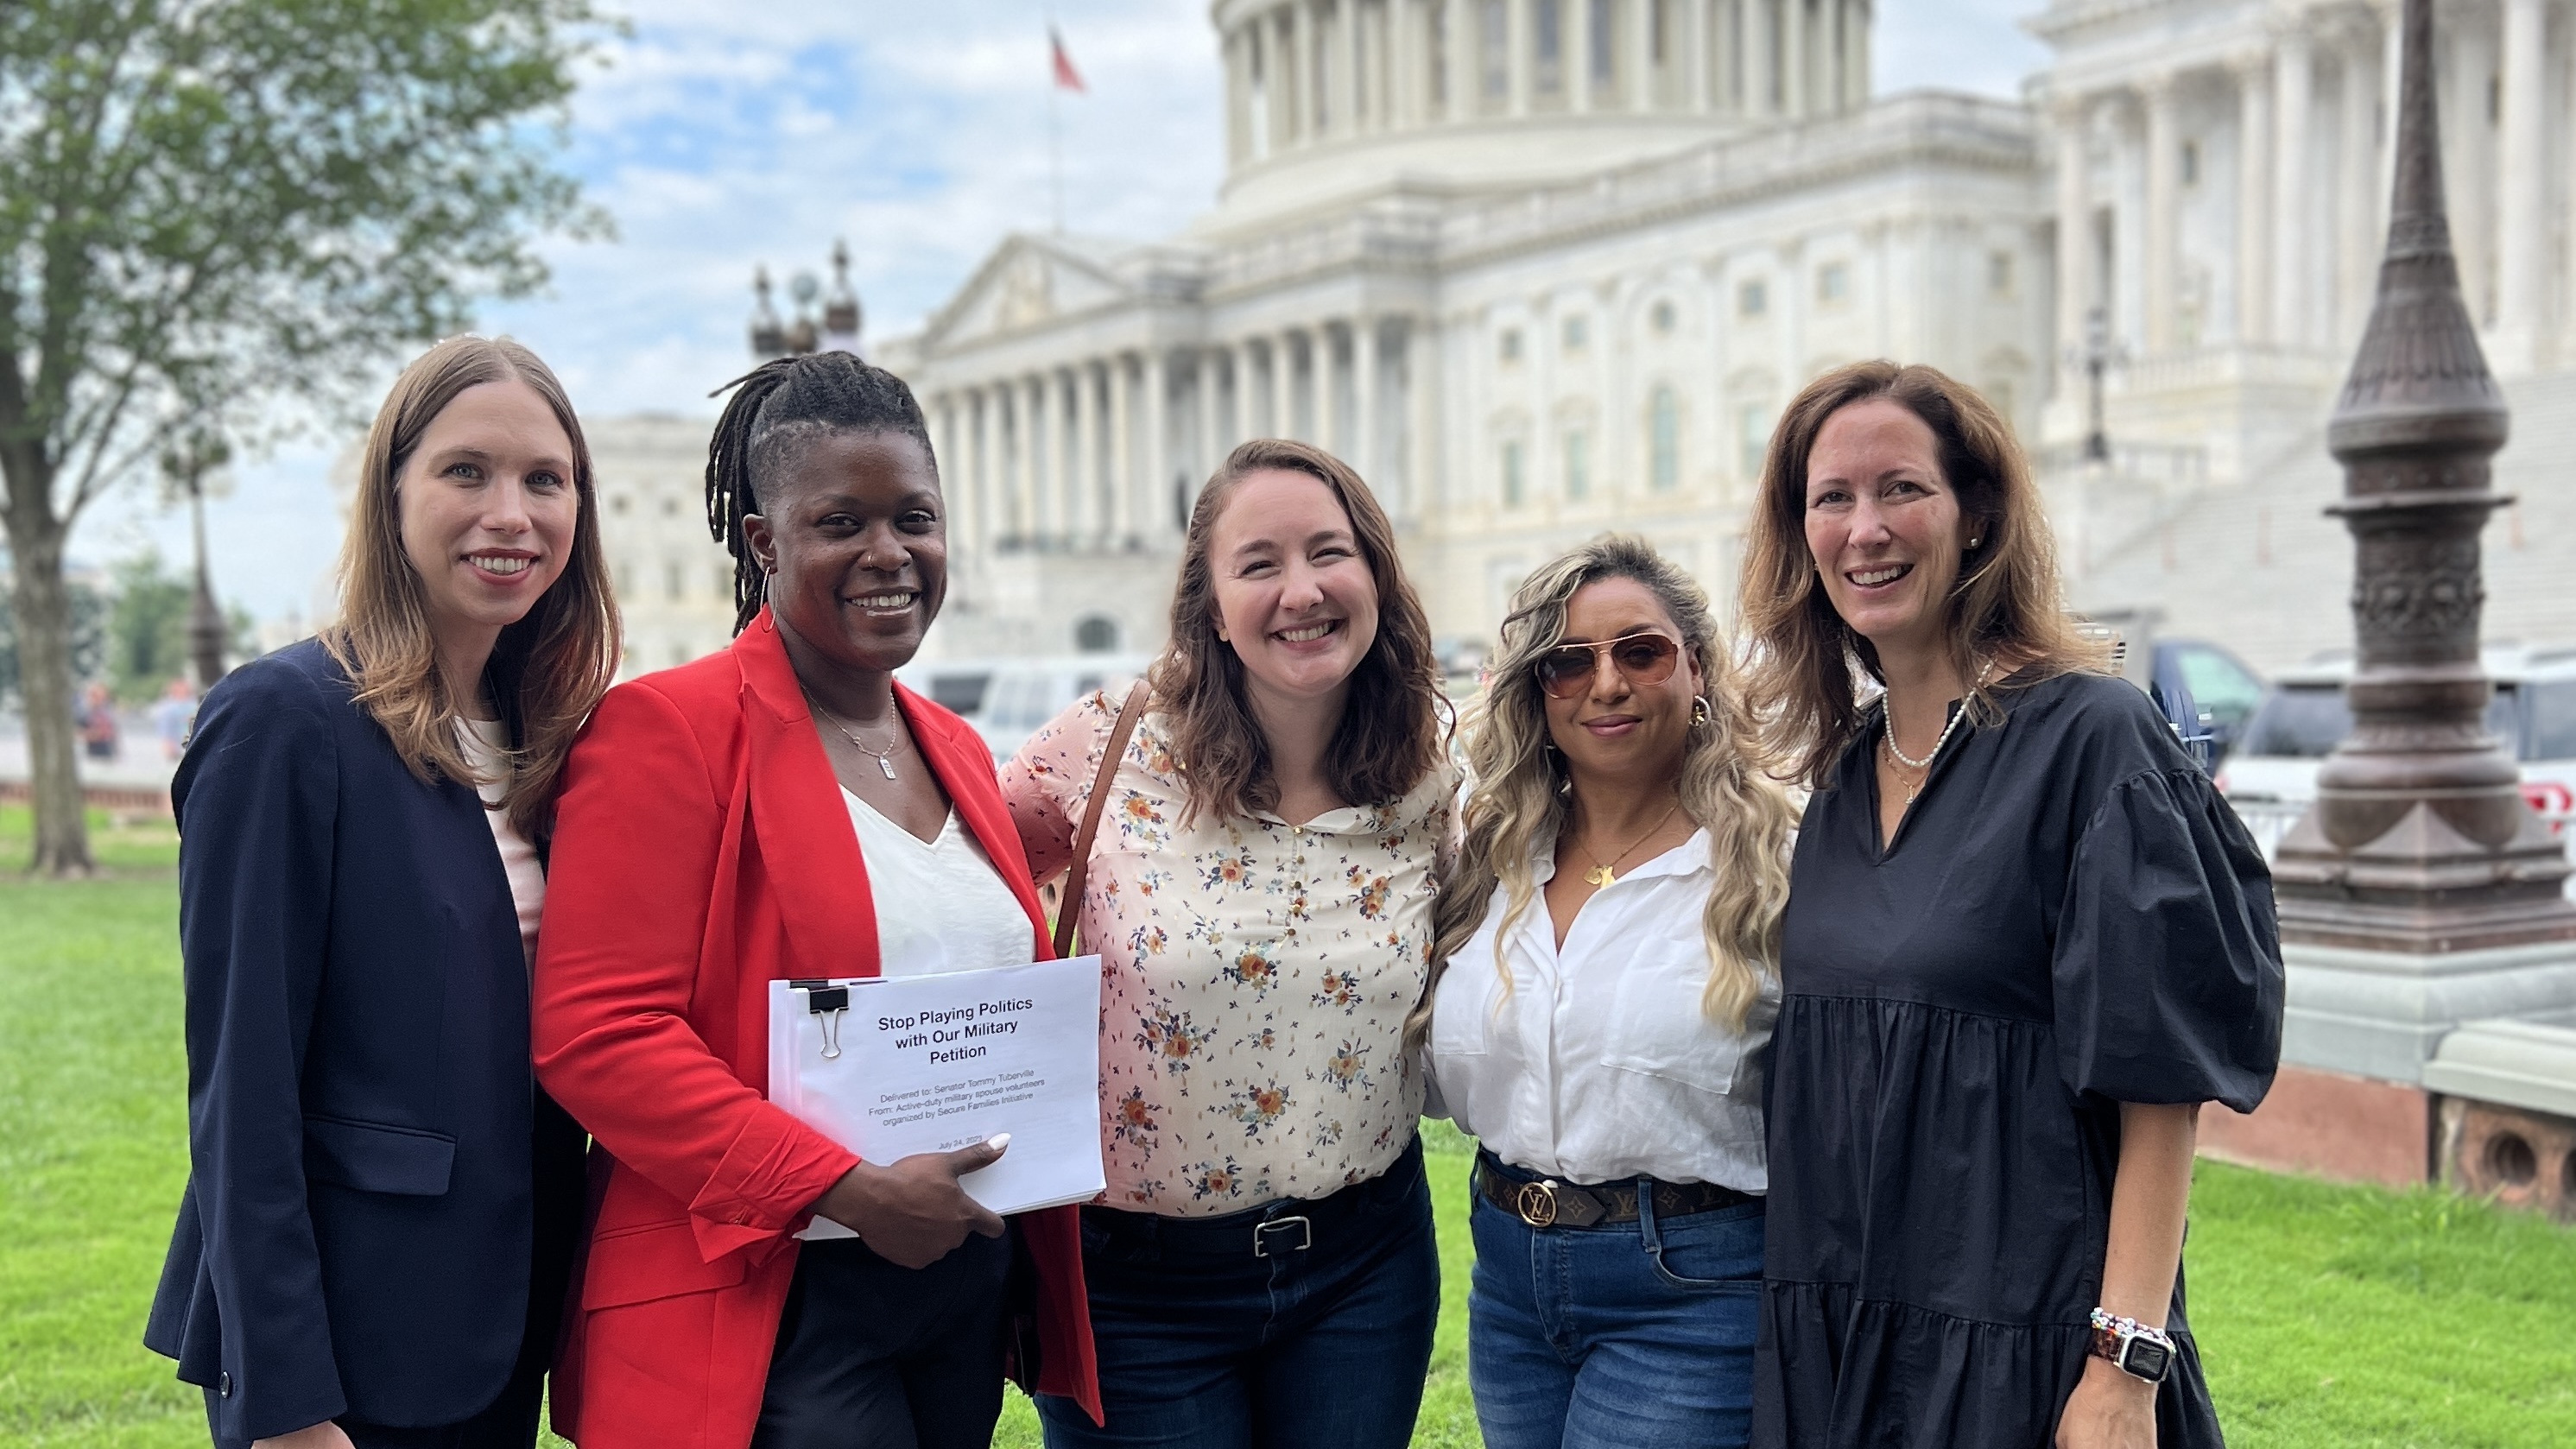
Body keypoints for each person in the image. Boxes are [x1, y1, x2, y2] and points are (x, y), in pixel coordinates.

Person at [529, 351, 1098, 1449]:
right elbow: (596, 1034)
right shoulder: (667, 731)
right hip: (763, 1291)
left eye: (915, 519)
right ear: (763, 541)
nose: (889, 555)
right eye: (842, 522)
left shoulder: (958, 750)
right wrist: (841, 1187)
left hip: (955, 1288)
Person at [1737, 361, 2283, 1449]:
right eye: (1830, 498)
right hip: (1843, 1337)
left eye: (1900, 488)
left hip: (2029, 1349)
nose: (1864, 529)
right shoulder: (1845, 774)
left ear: (1976, 514)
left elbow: (2158, 1086)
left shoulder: (2094, 744)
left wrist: (2124, 1365)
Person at [143, 336, 618, 1449]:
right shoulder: (285, 719)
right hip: (349, 1345)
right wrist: (286, 1401)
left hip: (507, 1318)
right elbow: (241, 1089)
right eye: (466, 472)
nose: (511, 512)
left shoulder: (549, 740)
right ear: (391, 490)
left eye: (545, 480)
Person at [1003, 438, 1456, 1449]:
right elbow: (955, 882)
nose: (1302, 591)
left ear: (1376, 574)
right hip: (1135, 1285)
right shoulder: (1101, 746)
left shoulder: (1434, 772)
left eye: (1329, 553)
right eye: (1259, 564)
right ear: (1210, 605)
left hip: (1363, 1267)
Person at [1419, 535, 1794, 1449]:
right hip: (1507, 1275)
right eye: (1567, 663)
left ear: (1696, 668)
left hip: (1693, 1286)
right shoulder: (1485, 865)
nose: (1607, 683)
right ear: (1532, 692)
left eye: (1640, 650)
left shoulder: (1777, 864)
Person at [155, 678, 199, 761]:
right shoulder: (167, 708)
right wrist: (167, 747)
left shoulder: (195, 704)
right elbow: (165, 729)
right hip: (176, 747)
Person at [79, 680, 121, 760]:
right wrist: (92, 735)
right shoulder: (83, 713)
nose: (100, 698)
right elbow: (75, 734)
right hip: (91, 754)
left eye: (102, 695)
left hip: (108, 753)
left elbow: (114, 733)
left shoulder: (108, 712)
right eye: (95, 695)